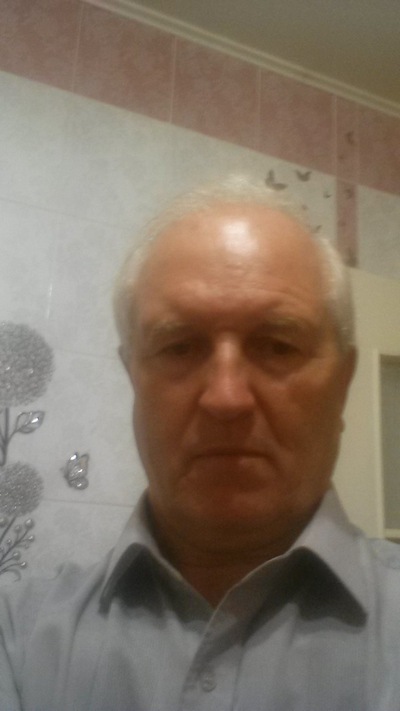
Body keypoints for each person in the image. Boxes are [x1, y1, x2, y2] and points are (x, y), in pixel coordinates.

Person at [1, 175, 400, 711]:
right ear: (133, 377)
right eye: (179, 347)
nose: (226, 399)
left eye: (278, 346)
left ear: (343, 383)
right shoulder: (16, 639)